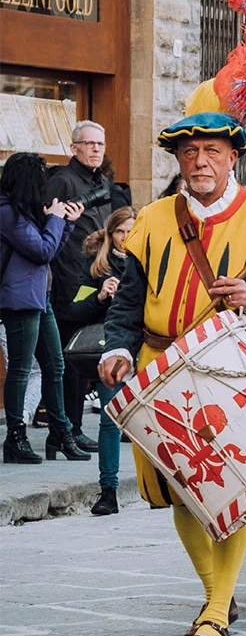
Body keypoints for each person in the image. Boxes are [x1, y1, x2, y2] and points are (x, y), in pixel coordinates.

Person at [98, 112, 246, 636]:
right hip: (157, 365)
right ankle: (216, 594)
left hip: (226, 367)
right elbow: (128, 302)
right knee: (180, 489)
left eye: (211, 151)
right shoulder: (154, 218)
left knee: (226, 484)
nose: (199, 162)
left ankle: (215, 610)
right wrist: (117, 348)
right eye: (189, 153)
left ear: (234, 157)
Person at [47, 120, 132, 453]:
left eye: (101, 143)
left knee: (91, 356)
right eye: (90, 143)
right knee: (72, 360)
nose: (97, 148)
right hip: (73, 280)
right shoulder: (62, 180)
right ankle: (68, 430)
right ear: (74, 147)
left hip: (99, 275)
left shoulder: (102, 183)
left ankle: (75, 428)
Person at [2, 153, 85, 464]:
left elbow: (48, 253)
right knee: (21, 370)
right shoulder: (8, 213)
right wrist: (56, 219)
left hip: (40, 295)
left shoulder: (25, 212)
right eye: (40, 176)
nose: (45, 183)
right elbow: (41, 251)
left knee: (56, 366)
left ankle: (60, 433)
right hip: (20, 300)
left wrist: (66, 224)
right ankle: (15, 437)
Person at [67, 206, 135, 511]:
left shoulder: (146, 262)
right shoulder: (97, 267)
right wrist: (100, 295)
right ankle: (108, 491)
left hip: (145, 347)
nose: (125, 237)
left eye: (130, 230)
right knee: (110, 420)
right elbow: (75, 310)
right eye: (119, 231)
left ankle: (160, 484)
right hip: (113, 348)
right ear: (110, 234)